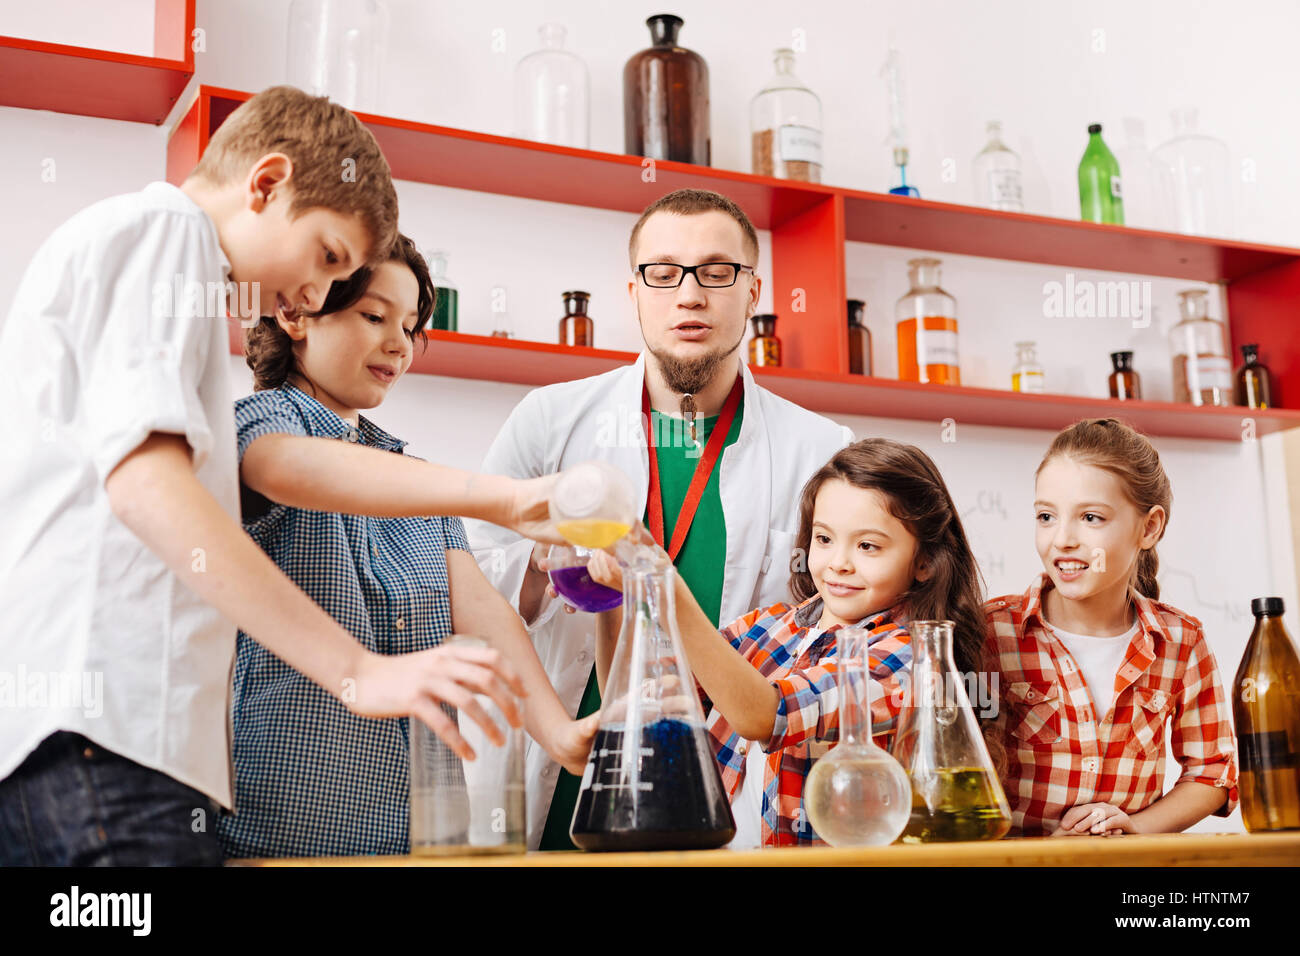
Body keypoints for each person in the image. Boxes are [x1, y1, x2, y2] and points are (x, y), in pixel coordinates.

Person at [0, 87, 546, 865]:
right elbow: (148, 487)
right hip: (109, 742)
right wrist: (357, 672)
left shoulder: (147, 262)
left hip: (87, 746)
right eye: (327, 257)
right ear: (265, 184)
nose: (317, 294)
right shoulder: (165, 230)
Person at [467, 188, 854, 849]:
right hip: (574, 774)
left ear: (753, 289)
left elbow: (840, 636)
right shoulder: (548, 421)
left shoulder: (823, 453)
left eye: (716, 271)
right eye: (664, 272)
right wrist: (540, 560)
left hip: (734, 788)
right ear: (634, 290)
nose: (691, 294)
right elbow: (471, 585)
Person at [215, 235, 598, 857]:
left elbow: (488, 615)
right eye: (374, 317)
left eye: (412, 325)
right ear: (295, 313)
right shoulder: (254, 425)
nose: (399, 344)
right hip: (277, 836)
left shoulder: (414, 476)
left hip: (414, 841)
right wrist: (502, 498)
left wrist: (560, 735)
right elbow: (291, 467)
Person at [590, 439, 991, 847]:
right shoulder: (764, 629)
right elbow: (633, 708)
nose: (839, 562)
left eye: (867, 545)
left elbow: (767, 715)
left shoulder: (907, 657)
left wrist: (669, 592)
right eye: (824, 539)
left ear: (925, 561)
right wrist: (607, 598)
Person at [984, 418, 1239, 837]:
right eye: (1046, 516)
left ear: (1149, 528)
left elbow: (1212, 772)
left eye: (1091, 517)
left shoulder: (1182, 642)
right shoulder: (993, 634)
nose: (1062, 539)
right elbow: (953, 774)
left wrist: (1134, 828)